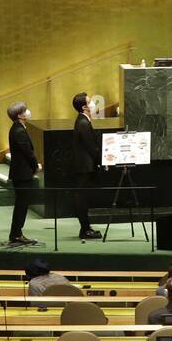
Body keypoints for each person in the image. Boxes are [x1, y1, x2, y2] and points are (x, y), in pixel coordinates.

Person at [5, 101, 40, 246]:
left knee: (22, 204)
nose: (28, 112)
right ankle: (16, 234)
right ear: (20, 115)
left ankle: (16, 233)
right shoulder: (19, 130)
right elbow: (27, 152)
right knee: (21, 205)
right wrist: (35, 165)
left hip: (21, 173)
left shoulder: (18, 128)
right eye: (25, 110)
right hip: (22, 173)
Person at [70, 92, 103, 241]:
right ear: (84, 107)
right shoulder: (83, 122)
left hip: (85, 166)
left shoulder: (83, 120)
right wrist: (103, 158)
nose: (92, 103)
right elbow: (91, 146)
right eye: (90, 102)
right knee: (81, 198)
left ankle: (86, 228)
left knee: (83, 197)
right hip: (85, 166)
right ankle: (85, 229)